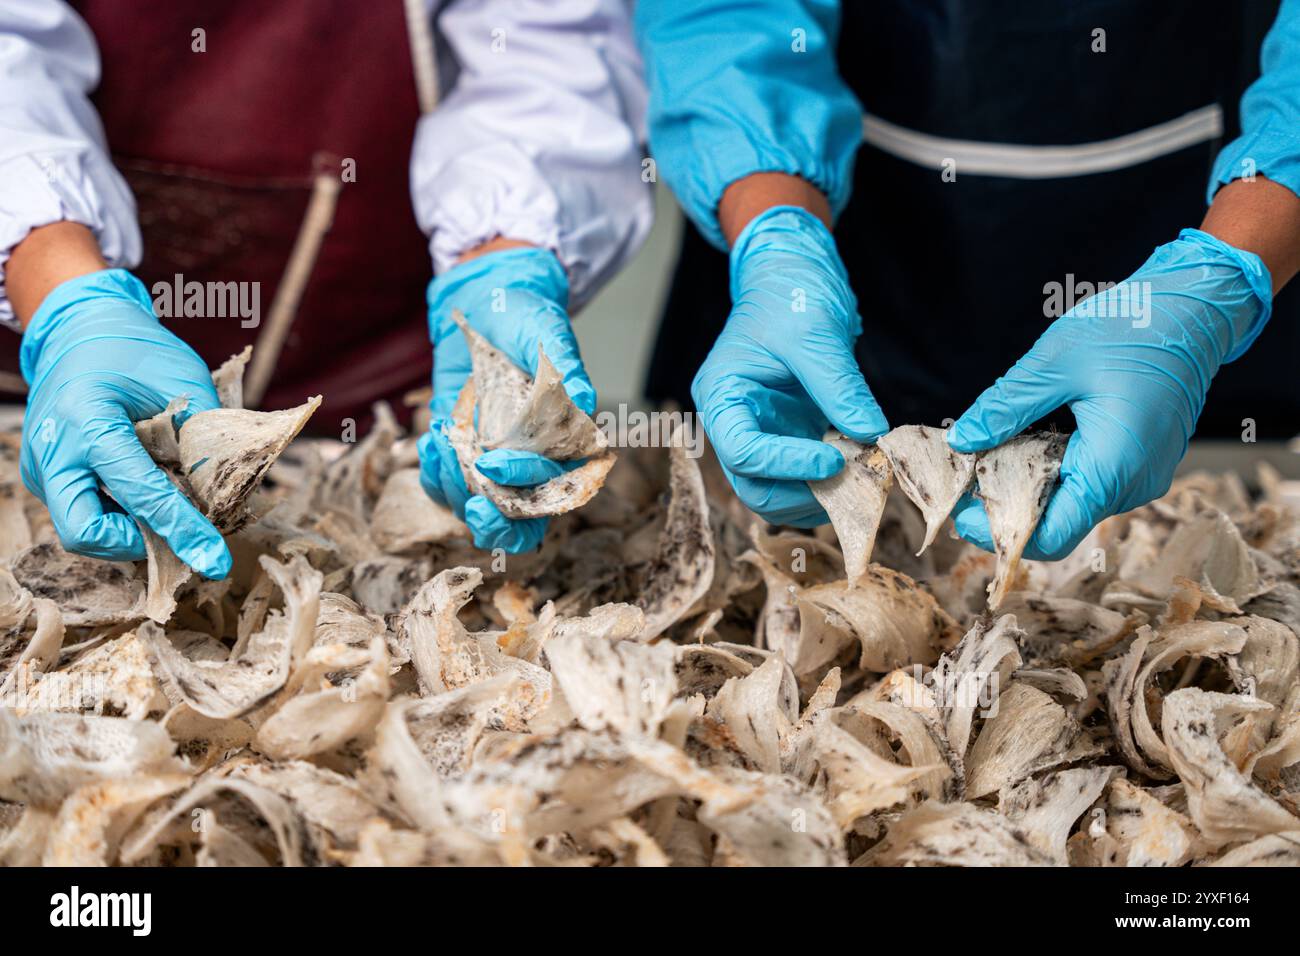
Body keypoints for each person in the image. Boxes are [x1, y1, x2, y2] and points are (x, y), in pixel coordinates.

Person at [0, 0, 651, 575]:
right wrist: (64, 299)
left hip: (373, 405)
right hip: (43, 378)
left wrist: (503, 259)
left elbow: (538, 39)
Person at [635, 0, 1300, 561]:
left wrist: (1217, 283)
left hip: (1223, 222)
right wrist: (777, 233)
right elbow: (724, 13)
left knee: (1216, 541)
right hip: (846, 237)